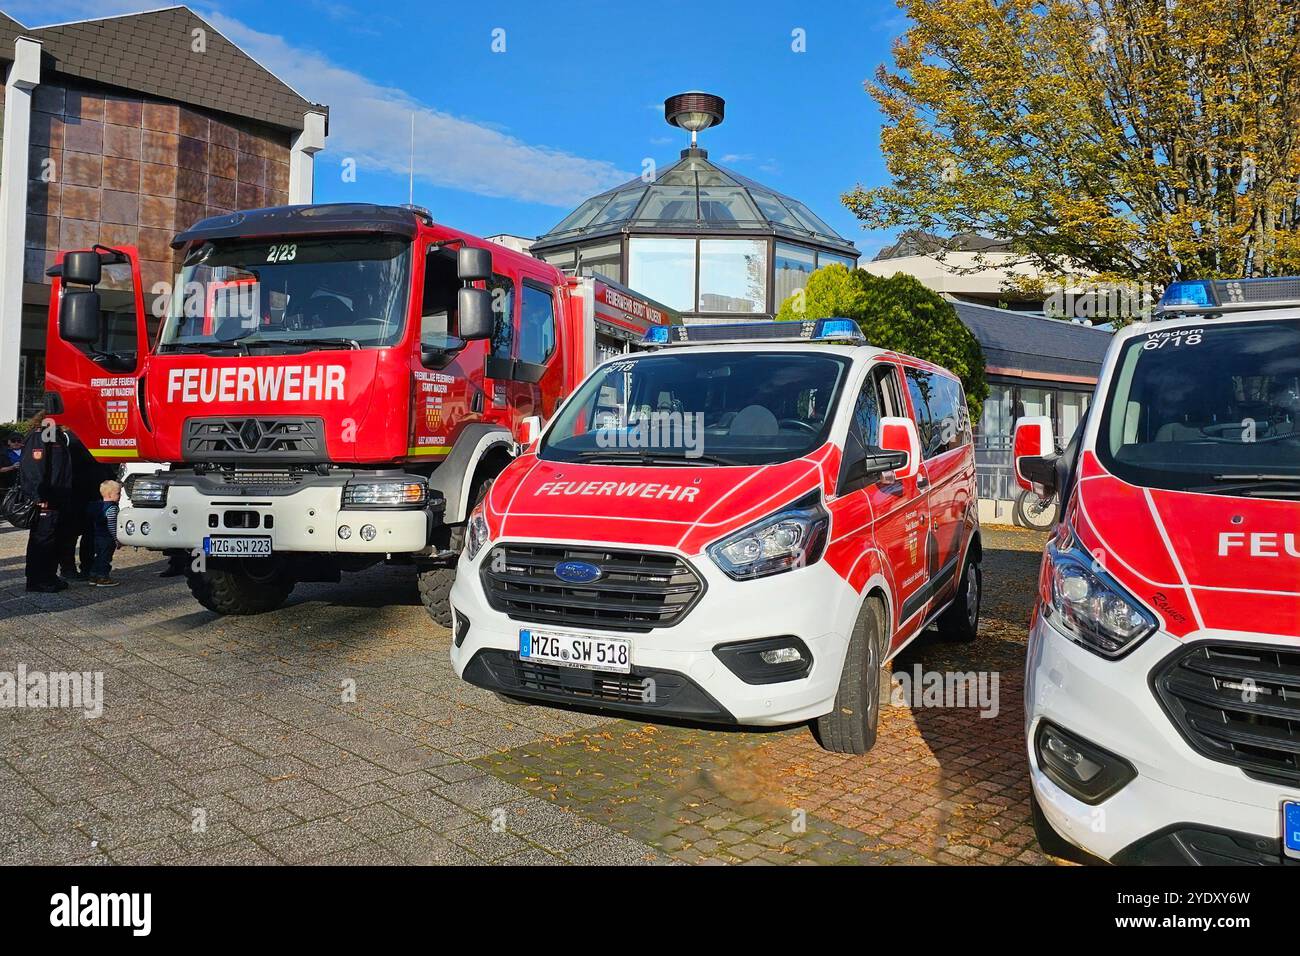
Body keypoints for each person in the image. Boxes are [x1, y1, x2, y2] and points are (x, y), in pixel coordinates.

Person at [19, 423, 74, 593]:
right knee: (42, 540)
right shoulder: (42, 434)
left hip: (57, 497)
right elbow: (34, 467)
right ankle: (37, 580)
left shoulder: (54, 434)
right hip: (46, 498)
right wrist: (38, 496)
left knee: (53, 539)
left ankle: (49, 576)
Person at [86, 479, 121, 588]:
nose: (120, 496)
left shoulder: (98, 506)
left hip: (97, 536)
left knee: (98, 556)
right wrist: (117, 539)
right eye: (118, 493)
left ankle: (93, 576)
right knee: (106, 558)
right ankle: (103, 577)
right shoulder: (112, 508)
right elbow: (112, 525)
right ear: (110, 495)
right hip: (107, 537)